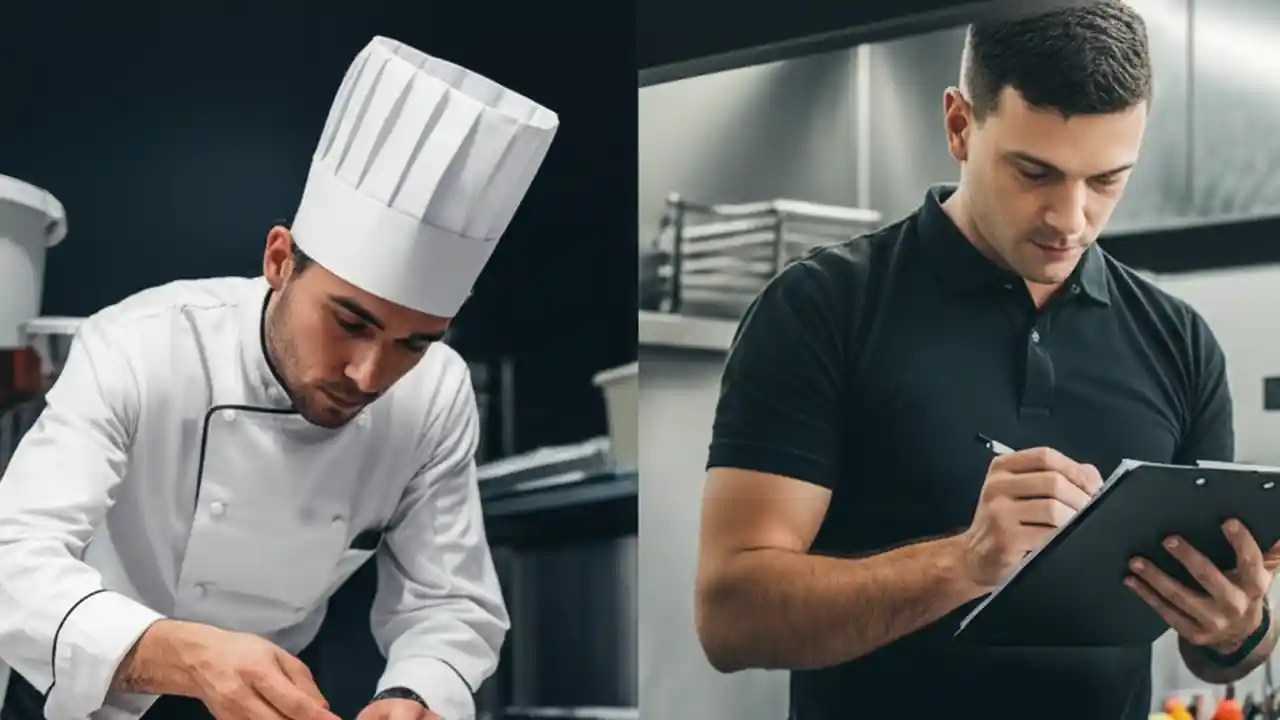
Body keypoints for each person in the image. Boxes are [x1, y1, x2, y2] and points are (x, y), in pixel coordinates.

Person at [693, 3, 1280, 719]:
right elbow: (729, 618)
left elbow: (1219, 646)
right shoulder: (822, 309)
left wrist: (1240, 627)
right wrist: (965, 562)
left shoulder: (1180, 343)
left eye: (1106, 180)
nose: (1070, 220)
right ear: (959, 126)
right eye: (1035, 172)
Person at [0, 36, 558, 720]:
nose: (369, 373)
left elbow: (450, 600)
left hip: (274, 700)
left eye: (413, 342)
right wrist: (182, 652)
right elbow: (13, 558)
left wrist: (418, 693)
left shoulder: (436, 392)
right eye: (350, 322)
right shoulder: (141, 344)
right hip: (91, 686)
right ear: (279, 259)